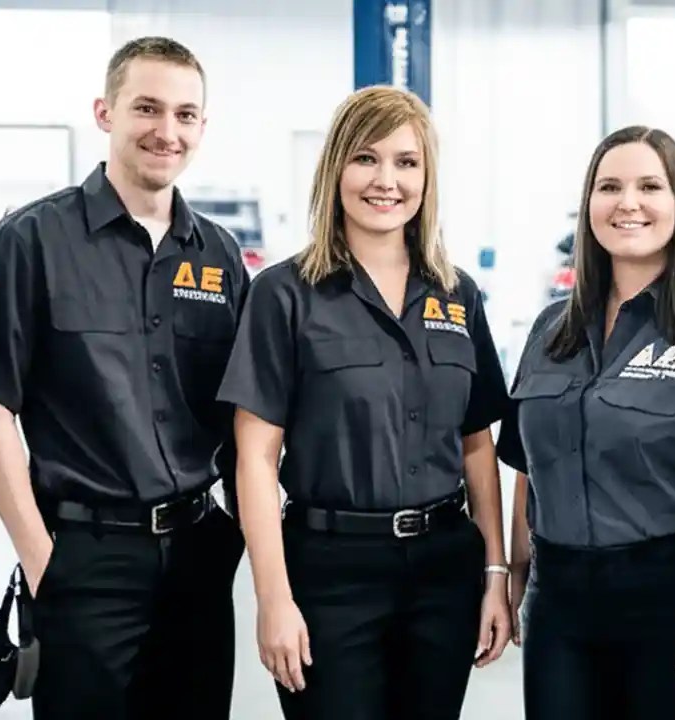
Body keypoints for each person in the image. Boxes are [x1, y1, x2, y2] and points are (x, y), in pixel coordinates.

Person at [0, 36, 248, 718]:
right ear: (105, 111)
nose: (165, 131)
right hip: (84, 556)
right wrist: (41, 558)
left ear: (202, 127)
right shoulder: (30, 242)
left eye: (184, 114)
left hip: (199, 553)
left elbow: (237, 417)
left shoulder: (220, 255)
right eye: (147, 108)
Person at [215, 85, 513, 720]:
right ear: (335, 171)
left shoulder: (459, 297)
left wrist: (495, 576)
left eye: (406, 162)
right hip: (328, 574)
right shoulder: (284, 296)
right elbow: (255, 461)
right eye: (366, 159)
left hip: (443, 570)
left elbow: (477, 446)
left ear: (427, 179)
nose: (386, 180)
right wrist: (273, 598)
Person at [499, 125, 675, 720]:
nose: (628, 203)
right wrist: (512, 577)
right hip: (560, 607)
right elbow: (531, 465)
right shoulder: (550, 331)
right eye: (609, 187)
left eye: (650, 186)